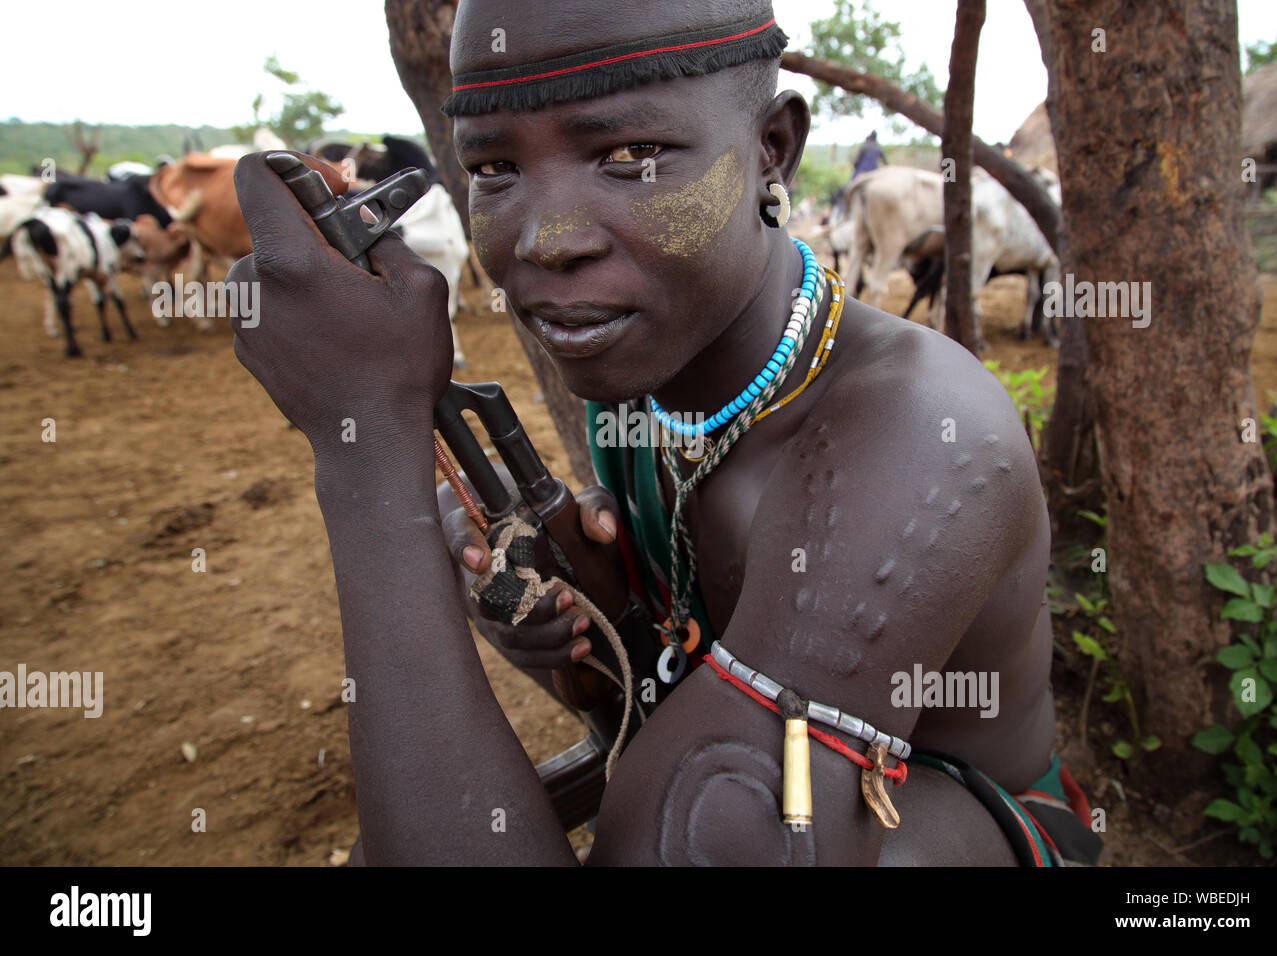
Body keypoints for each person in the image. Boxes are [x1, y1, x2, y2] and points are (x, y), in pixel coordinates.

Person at [228, 0, 1099, 865]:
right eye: (494, 168)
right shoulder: (649, 369)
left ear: (772, 149)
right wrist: (590, 624)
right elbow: (647, 693)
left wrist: (367, 452)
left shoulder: (921, 435)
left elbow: (713, 830)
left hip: (973, 817)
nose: (546, 239)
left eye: (631, 156)